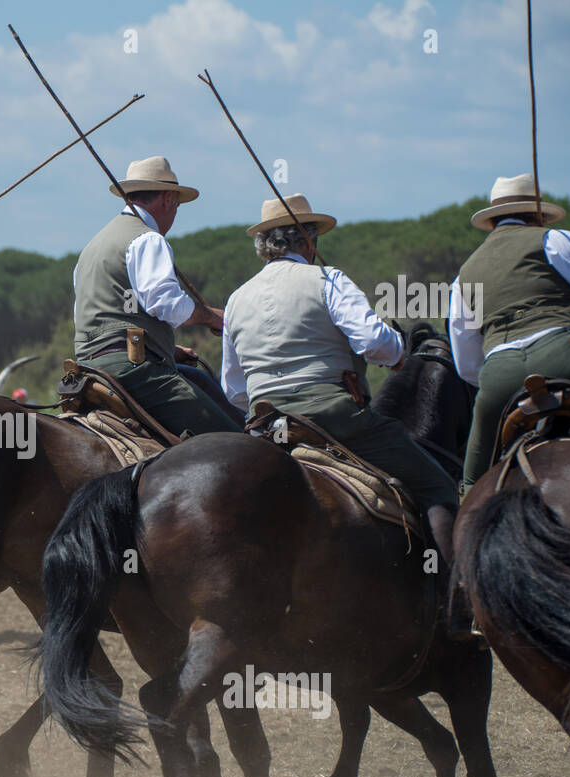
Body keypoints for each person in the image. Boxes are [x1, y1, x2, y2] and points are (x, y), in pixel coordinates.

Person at [222, 193, 459, 565]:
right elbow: (374, 343)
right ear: (308, 240)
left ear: (264, 247)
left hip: (264, 425)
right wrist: (397, 350)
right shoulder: (327, 279)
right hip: (332, 418)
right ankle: (459, 604)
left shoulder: (235, 300)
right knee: (438, 485)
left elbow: (234, 390)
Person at [450, 173, 570, 491]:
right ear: (537, 214)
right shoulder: (554, 241)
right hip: (569, 356)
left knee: (472, 484)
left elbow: (467, 364)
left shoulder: (464, 274)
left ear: (492, 221)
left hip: (499, 380)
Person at [72, 156, 236, 437]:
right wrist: (212, 316)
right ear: (168, 199)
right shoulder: (148, 239)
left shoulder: (93, 246)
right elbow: (167, 305)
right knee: (233, 440)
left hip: (86, 368)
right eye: (177, 205)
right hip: (131, 372)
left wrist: (161, 347)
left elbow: (109, 318)